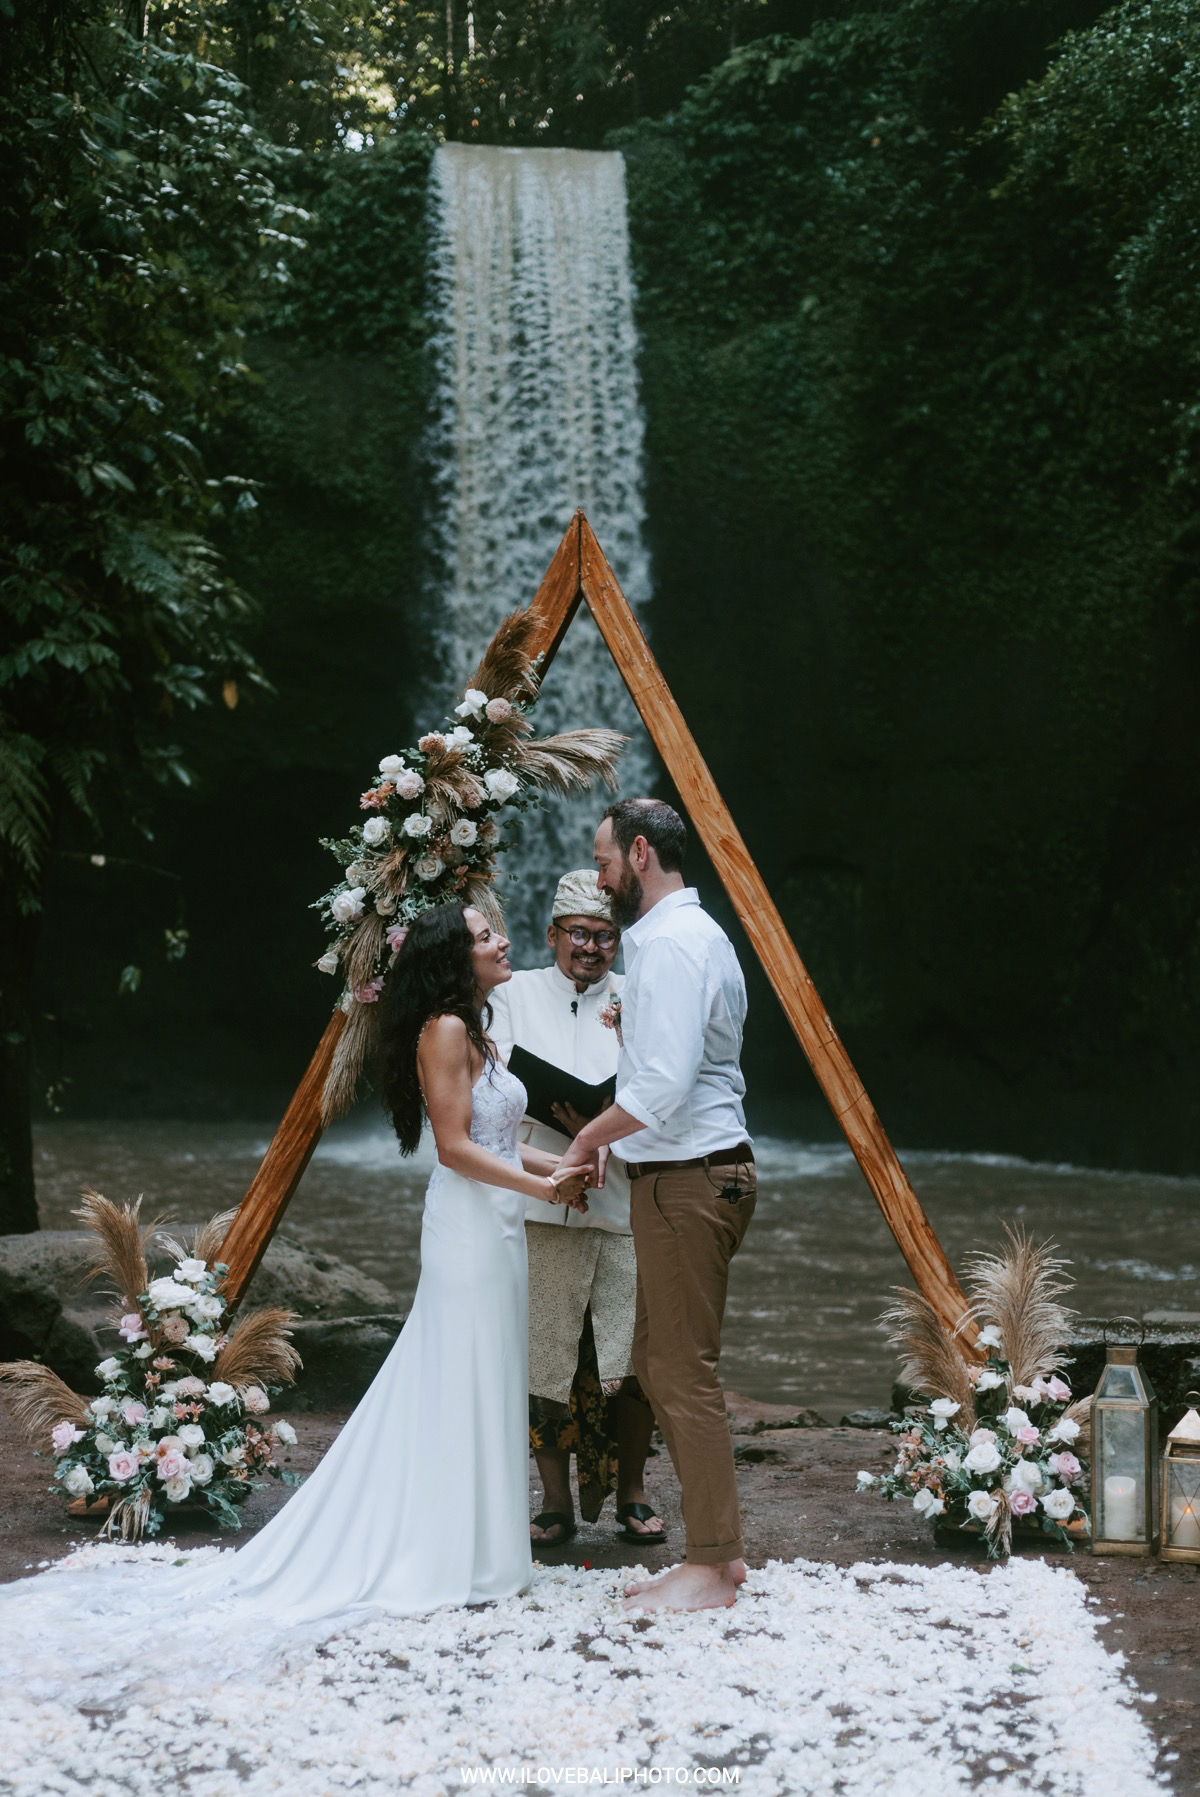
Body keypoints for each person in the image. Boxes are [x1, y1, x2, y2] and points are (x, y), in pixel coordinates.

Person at [0, 903, 594, 1655]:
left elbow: (500, 1139)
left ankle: (482, 1545)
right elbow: (452, 1148)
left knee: (486, 1372)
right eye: (485, 937)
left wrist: (562, 1166)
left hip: (499, 1225)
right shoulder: (444, 1030)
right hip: (471, 1229)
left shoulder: (479, 1028)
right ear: (453, 958)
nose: (502, 941)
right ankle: (450, 1549)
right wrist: (546, 1191)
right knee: (460, 1373)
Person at [556, 799, 756, 1615]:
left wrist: (585, 1139)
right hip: (685, 1172)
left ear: (640, 853)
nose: (598, 874)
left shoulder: (672, 945)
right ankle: (718, 1555)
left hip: (688, 1178)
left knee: (679, 1368)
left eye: (603, 859)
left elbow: (664, 1086)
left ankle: (712, 1565)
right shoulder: (688, 939)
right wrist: (615, 1138)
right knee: (658, 1358)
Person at [489, 869, 664, 1551]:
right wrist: (561, 1127)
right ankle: (555, 1501)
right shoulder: (516, 993)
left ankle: (633, 1492)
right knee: (547, 1360)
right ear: (552, 933)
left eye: (605, 936)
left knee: (631, 1359)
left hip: (623, 1197)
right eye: (579, 934)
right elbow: (493, 1079)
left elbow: (662, 1082)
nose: (591, 948)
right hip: (540, 1198)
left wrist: (601, 1124)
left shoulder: (639, 995)